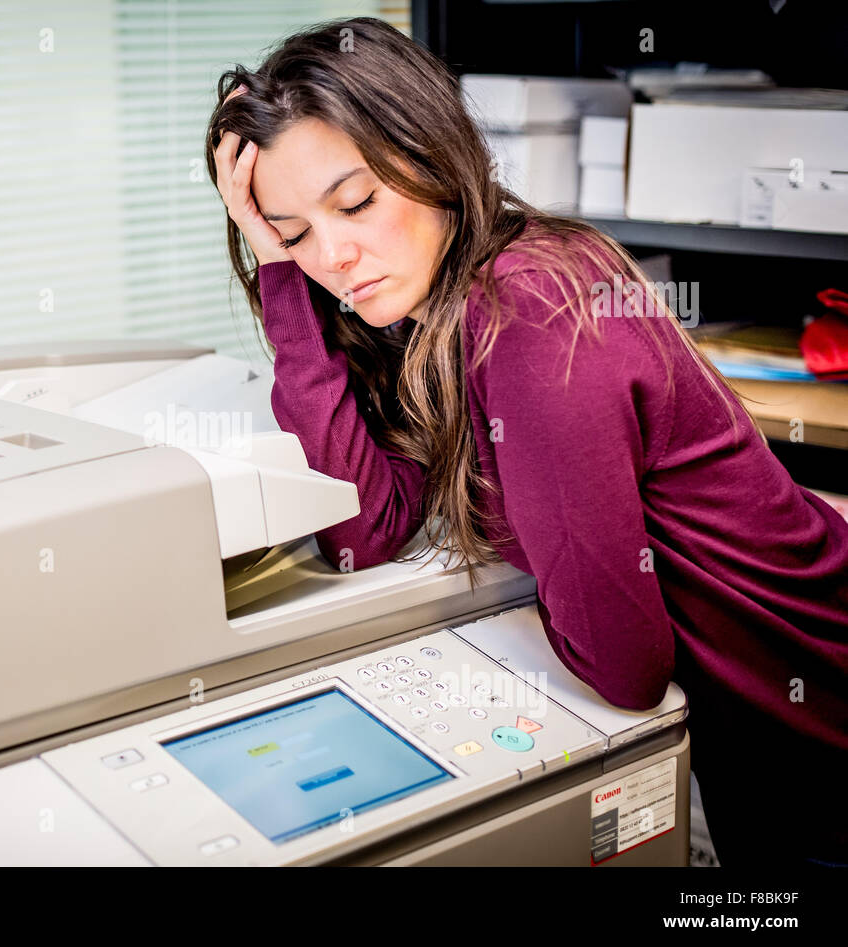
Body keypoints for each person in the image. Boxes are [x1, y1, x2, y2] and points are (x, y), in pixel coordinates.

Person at [206, 16, 848, 867]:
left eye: (355, 203)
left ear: (428, 154)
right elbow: (367, 532)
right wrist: (279, 276)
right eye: (292, 232)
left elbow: (624, 666)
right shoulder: (431, 299)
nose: (335, 257)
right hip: (759, 741)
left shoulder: (530, 314)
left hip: (817, 720)